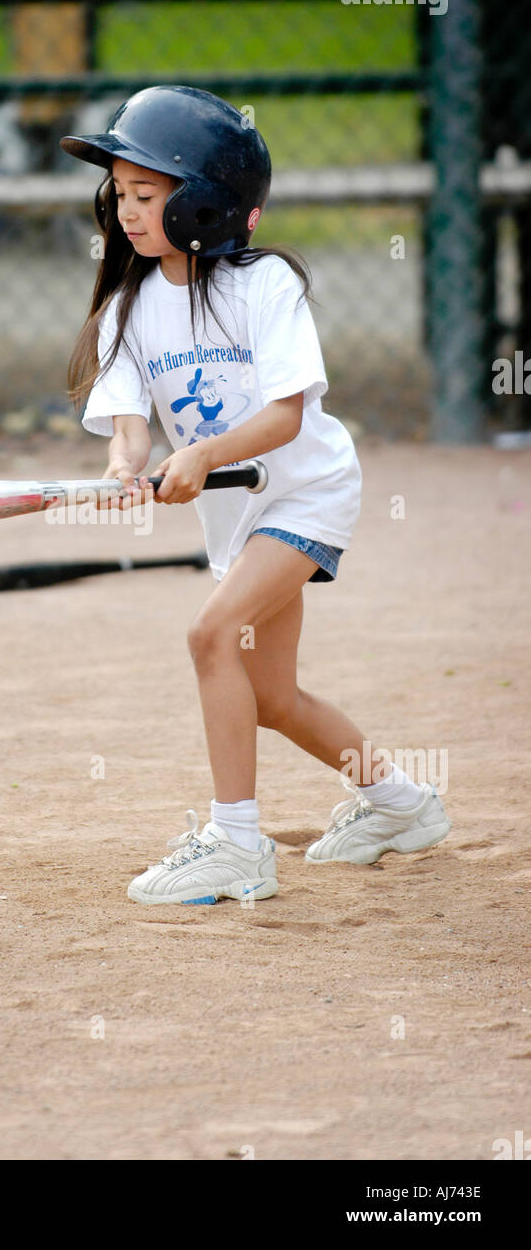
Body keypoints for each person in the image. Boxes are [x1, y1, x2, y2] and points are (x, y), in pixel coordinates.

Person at [60, 85, 450, 905]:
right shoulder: (126, 311)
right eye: (120, 195)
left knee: (211, 637)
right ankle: (402, 804)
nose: (126, 213)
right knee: (270, 694)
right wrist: (124, 470)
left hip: (305, 491)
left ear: (206, 203)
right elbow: (129, 427)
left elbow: (284, 415)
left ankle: (237, 844)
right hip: (238, 515)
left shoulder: (266, 286)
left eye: (147, 194)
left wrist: (202, 452)